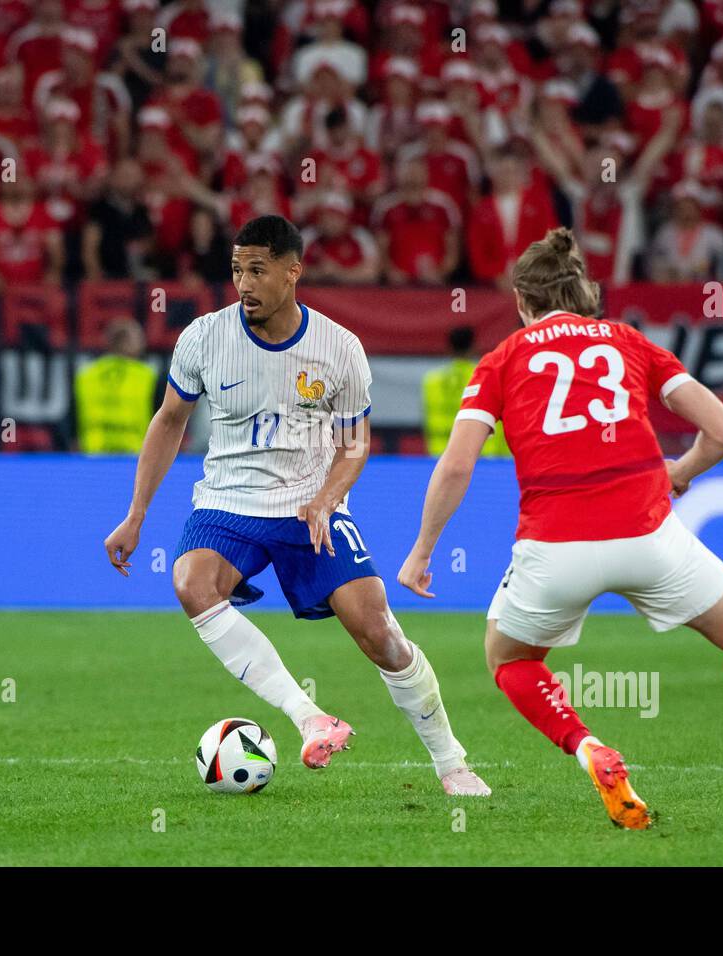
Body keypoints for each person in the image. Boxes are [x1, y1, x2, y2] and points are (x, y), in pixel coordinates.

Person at [396, 227, 723, 830]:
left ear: (524, 303)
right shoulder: (629, 342)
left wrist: (424, 549)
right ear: (583, 294)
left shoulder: (504, 358)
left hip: (556, 546)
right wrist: (679, 473)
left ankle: (590, 749)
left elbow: (457, 464)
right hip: (648, 533)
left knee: (507, 657)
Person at [103, 215, 490, 796]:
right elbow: (169, 422)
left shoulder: (339, 348)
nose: (244, 283)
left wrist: (327, 499)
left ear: (293, 271)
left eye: (257, 270)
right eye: (236, 270)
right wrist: (136, 516)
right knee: (190, 582)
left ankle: (451, 762)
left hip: (311, 503)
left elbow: (355, 444)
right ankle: (309, 717)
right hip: (227, 502)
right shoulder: (204, 338)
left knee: (378, 630)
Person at [422, 326, 509, 457]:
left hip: (440, 456)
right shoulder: (486, 376)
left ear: (449, 348)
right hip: (484, 457)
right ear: (473, 347)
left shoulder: (431, 381)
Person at [74, 318, 157, 453]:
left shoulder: (86, 374)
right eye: (138, 339)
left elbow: (72, 416)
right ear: (124, 342)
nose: (143, 344)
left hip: (93, 452)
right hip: (134, 453)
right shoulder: (147, 375)